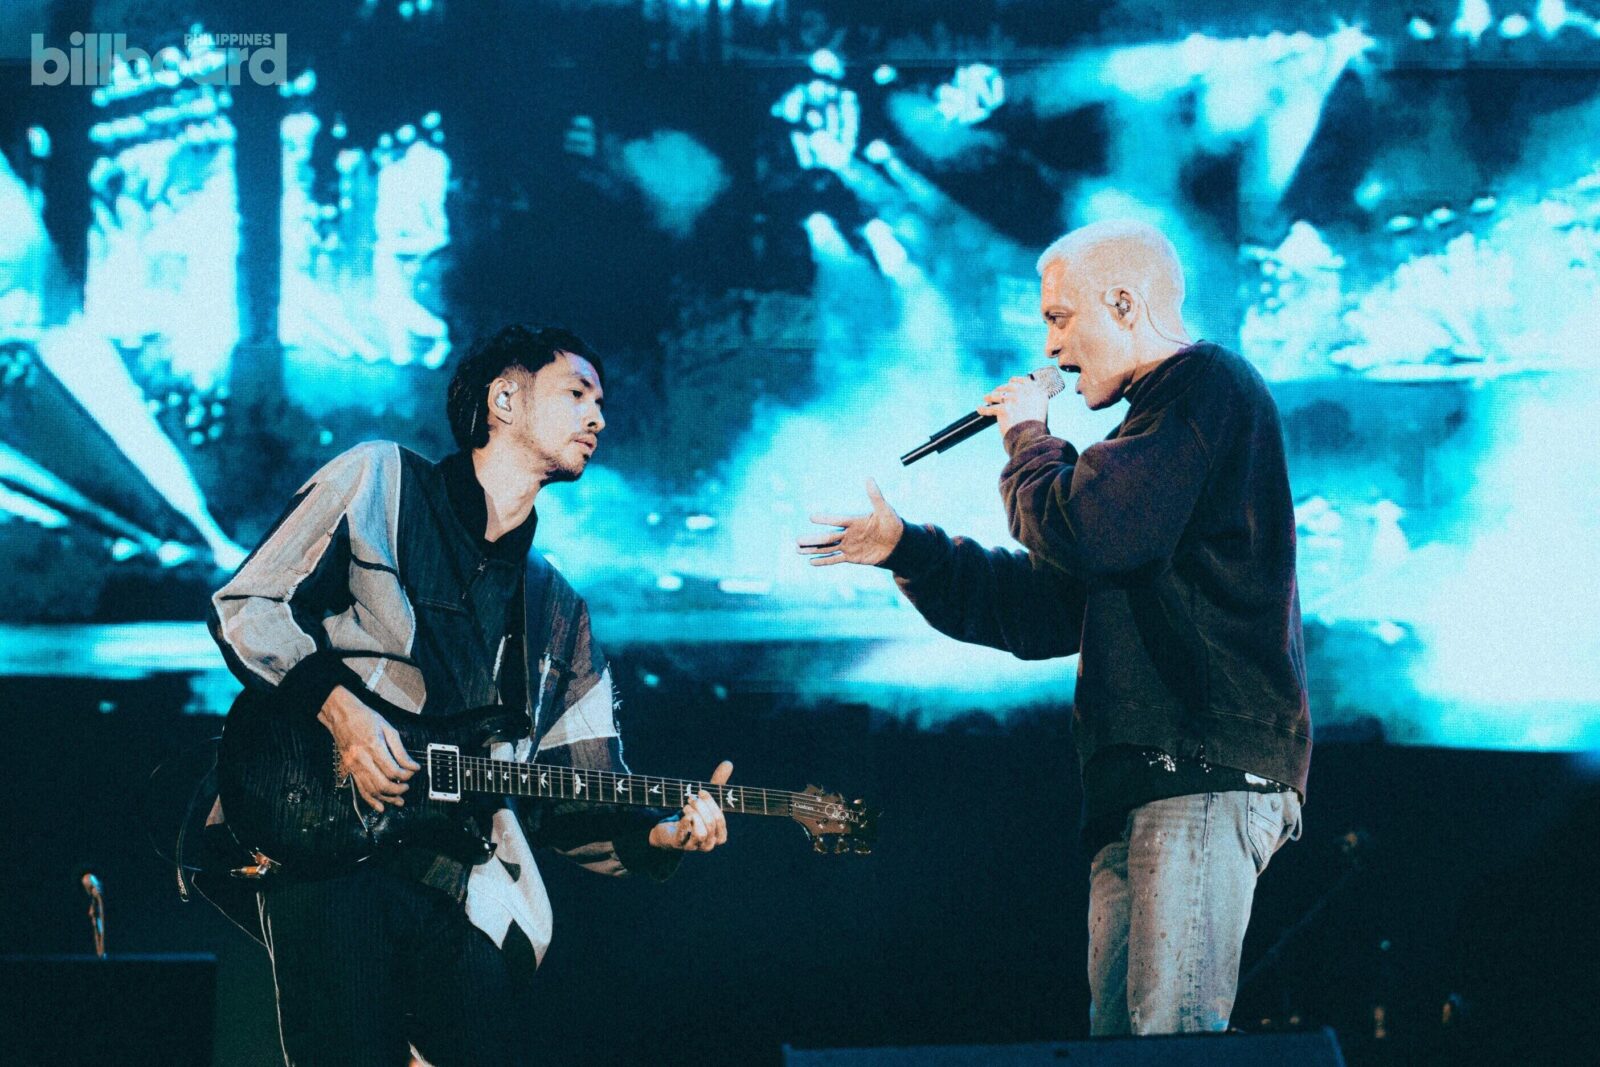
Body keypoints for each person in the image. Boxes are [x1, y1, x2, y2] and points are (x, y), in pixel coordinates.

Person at [798, 220, 1310, 1035]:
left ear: (1124, 303)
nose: (1051, 348)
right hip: (1140, 779)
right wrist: (908, 549)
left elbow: (1091, 530)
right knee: (1122, 1040)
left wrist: (1026, 436)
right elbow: (1040, 607)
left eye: (1060, 318)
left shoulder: (1206, 387)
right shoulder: (1142, 445)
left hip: (1201, 763)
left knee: (1172, 1037)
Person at [208, 324, 731, 1065]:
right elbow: (249, 604)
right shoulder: (379, 478)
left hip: (457, 882)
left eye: (602, 403)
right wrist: (343, 713)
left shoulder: (556, 607)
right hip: (325, 844)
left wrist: (664, 834)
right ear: (504, 399)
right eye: (577, 393)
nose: (598, 416)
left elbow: (578, 793)